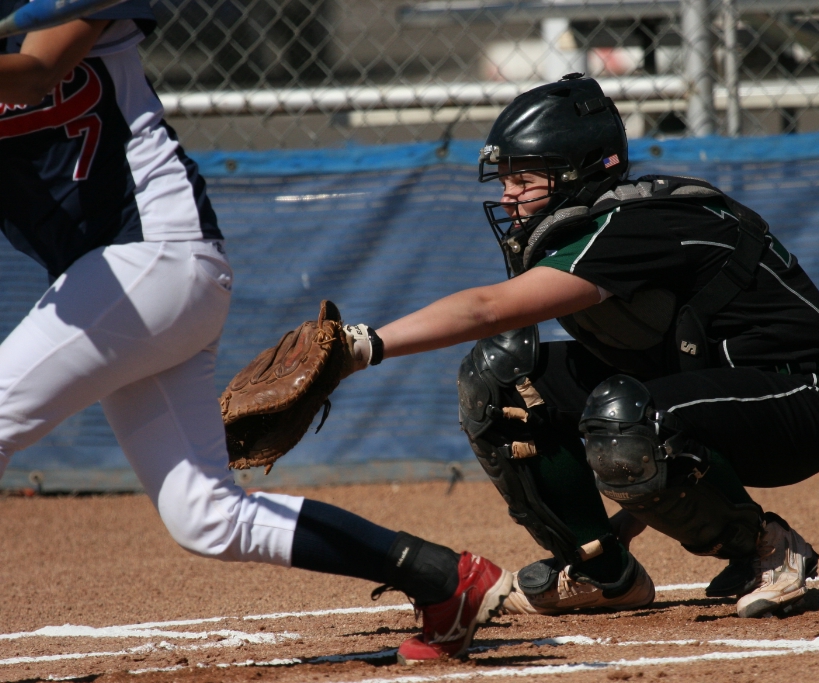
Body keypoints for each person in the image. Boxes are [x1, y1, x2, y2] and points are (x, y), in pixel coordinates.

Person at [0, 1, 511, 664]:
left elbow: (39, 70)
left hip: (155, 252)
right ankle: (444, 577)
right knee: (204, 515)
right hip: (121, 285)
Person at [343, 74, 819, 619]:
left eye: (523, 177)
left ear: (576, 170)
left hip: (805, 396)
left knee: (623, 413)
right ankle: (604, 572)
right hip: (722, 396)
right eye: (503, 179)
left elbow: (486, 309)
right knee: (502, 380)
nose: (507, 195)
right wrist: (627, 514)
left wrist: (366, 347)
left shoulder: (636, 225)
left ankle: (767, 548)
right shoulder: (594, 225)